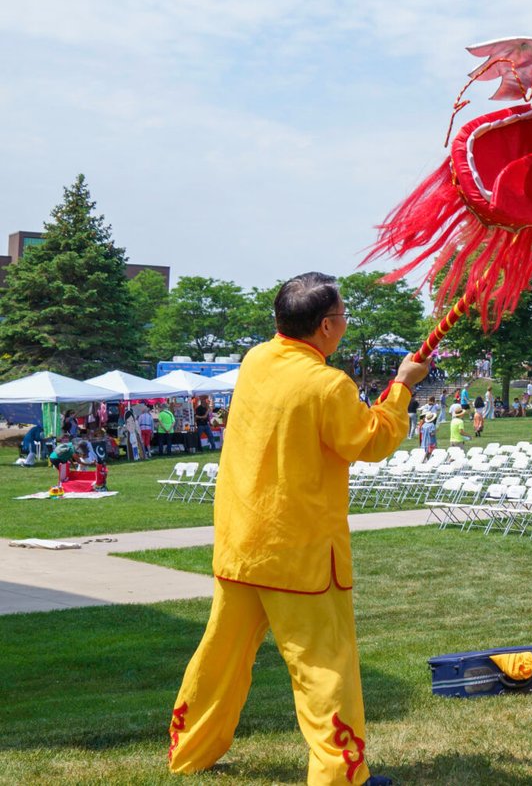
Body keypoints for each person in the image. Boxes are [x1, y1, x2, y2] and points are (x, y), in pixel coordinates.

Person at [167, 272, 427, 785]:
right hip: (301, 555)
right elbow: (370, 442)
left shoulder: (256, 360)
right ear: (326, 326)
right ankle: (340, 775)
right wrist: (402, 386)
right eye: (343, 316)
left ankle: (189, 751)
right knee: (324, 667)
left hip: (243, 544)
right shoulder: (328, 384)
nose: (345, 324)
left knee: (220, 656)